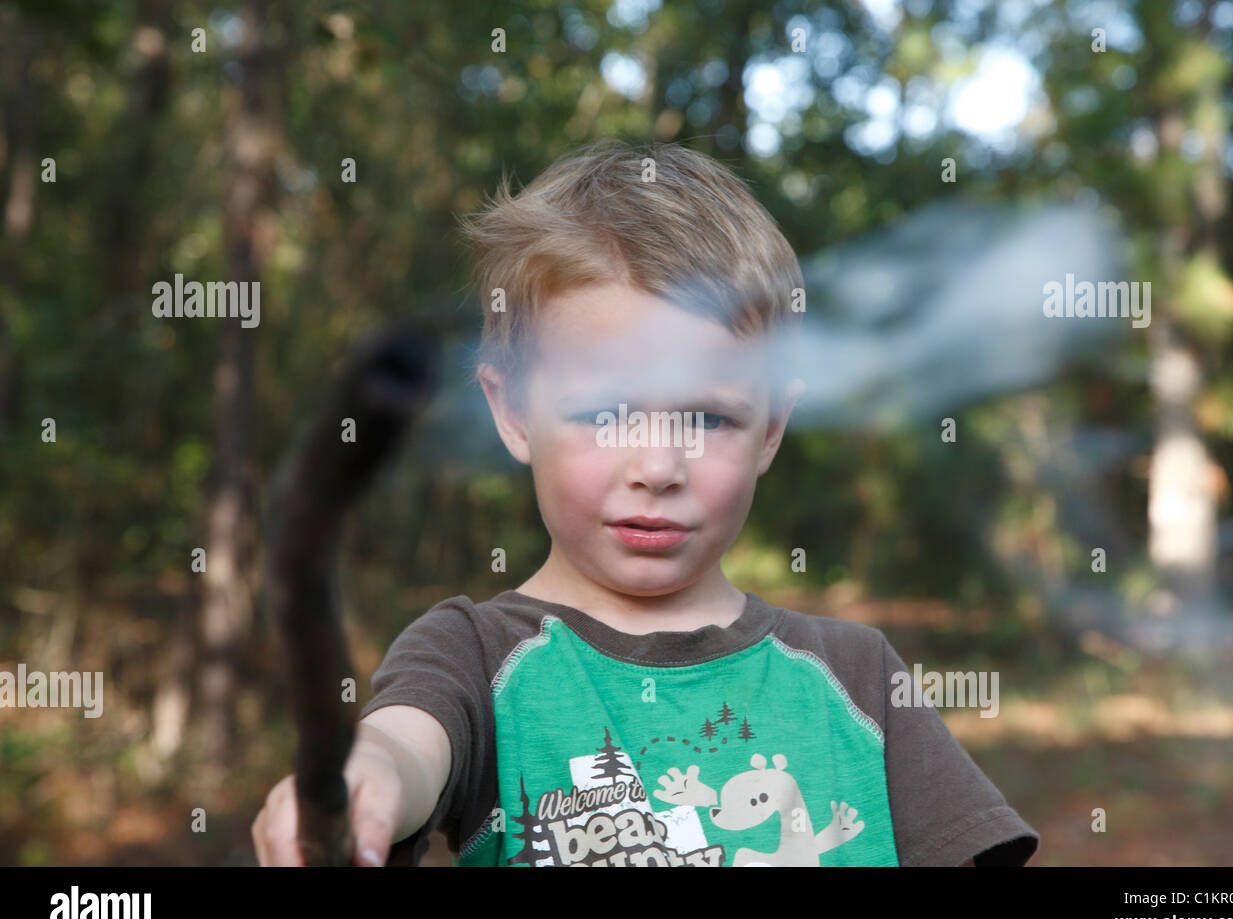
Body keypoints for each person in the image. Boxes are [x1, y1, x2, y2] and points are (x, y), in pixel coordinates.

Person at [252, 140, 1039, 867]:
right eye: (605, 415)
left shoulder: (860, 680)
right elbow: (405, 747)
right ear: (514, 412)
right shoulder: (474, 658)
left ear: (770, 428)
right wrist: (365, 779)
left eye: (709, 419)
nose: (659, 466)